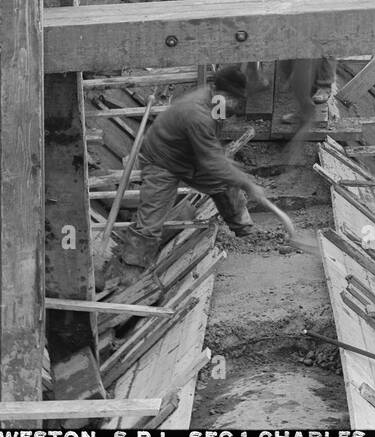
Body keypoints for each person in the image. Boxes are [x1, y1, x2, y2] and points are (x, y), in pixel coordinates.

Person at [106, 68, 274, 285]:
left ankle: (245, 231)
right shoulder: (196, 113)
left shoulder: (217, 101)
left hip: (191, 153)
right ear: (216, 90)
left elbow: (212, 149)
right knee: (151, 218)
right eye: (231, 98)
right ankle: (129, 274)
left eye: (237, 99)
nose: (234, 104)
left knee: (225, 184)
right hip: (162, 160)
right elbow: (212, 161)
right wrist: (247, 183)